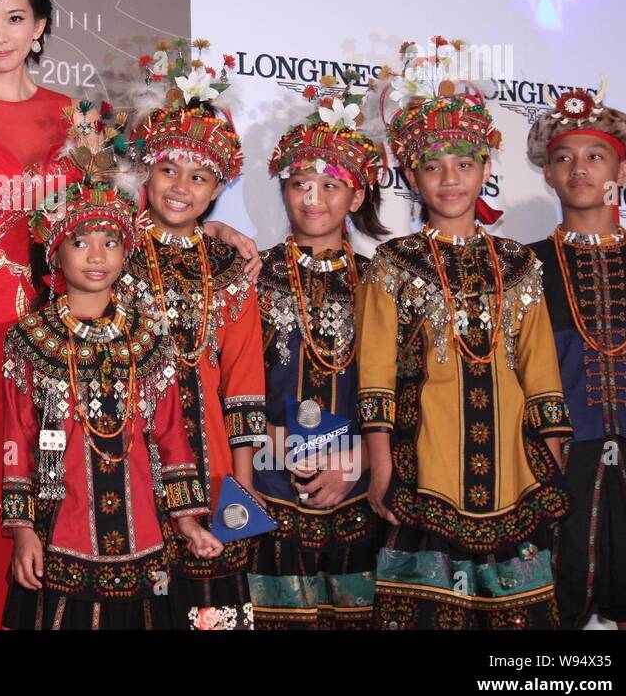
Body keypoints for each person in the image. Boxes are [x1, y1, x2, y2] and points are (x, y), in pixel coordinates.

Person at [0, 0, 261, 626]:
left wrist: (215, 230)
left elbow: (135, 215)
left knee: (60, 487)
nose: (1, 35)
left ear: (41, 26)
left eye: (16, 18)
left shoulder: (74, 118)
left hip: (66, 327)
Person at [357, 39, 572, 629]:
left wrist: (551, 450)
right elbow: (374, 373)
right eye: (432, 166)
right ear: (411, 174)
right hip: (425, 460)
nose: (449, 179)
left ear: (485, 168)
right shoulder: (392, 263)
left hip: (512, 464)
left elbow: (539, 366)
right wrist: (380, 464)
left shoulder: (519, 262)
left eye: (464, 164)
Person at [1, 103, 222, 629]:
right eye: (80, 242)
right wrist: (25, 528)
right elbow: (20, 436)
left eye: (111, 242)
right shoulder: (31, 339)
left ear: (127, 251)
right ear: (55, 253)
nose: (96, 256)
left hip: (144, 532)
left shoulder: (148, 338)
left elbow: (170, 434)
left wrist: (186, 518)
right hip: (61, 528)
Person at [121, 41, 266, 629]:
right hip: (124, 456)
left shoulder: (230, 268)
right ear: (146, 172)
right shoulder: (110, 249)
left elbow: (244, 385)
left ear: (216, 189)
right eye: (168, 169)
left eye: (199, 176)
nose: (181, 186)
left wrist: (242, 486)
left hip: (211, 470)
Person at [239, 80, 389, 629]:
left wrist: (364, 458)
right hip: (270, 482)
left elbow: (409, 387)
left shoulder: (382, 281)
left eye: (331, 185)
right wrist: (271, 442)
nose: (313, 198)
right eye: (300, 183)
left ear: (357, 196)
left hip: (356, 493)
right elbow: (229, 381)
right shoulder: (253, 276)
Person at [526, 85, 626, 629]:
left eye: (595, 156)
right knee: (548, 603)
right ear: (547, 175)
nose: (578, 169)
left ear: (622, 173)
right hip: (555, 460)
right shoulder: (522, 265)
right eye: (564, 158)